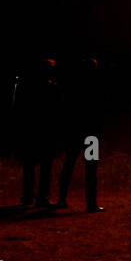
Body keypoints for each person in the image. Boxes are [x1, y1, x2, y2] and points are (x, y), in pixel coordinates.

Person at [57, 57, 104, 213]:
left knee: (69, 164)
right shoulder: (96, 87)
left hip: (75, 131)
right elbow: (100, 112)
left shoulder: (73, 87)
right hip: (91, 134)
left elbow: (66, 109)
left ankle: (61, 199)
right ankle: (91, 204)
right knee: (91, 169)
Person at [16, 58, 61, 209]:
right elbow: (57, 112)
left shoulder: (28, 87)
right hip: (46, 131)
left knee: (30, 165)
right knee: (45, 166)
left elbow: (19, 110)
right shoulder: (52, 88)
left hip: (31, 131)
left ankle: (28, 196)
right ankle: (42, 197)